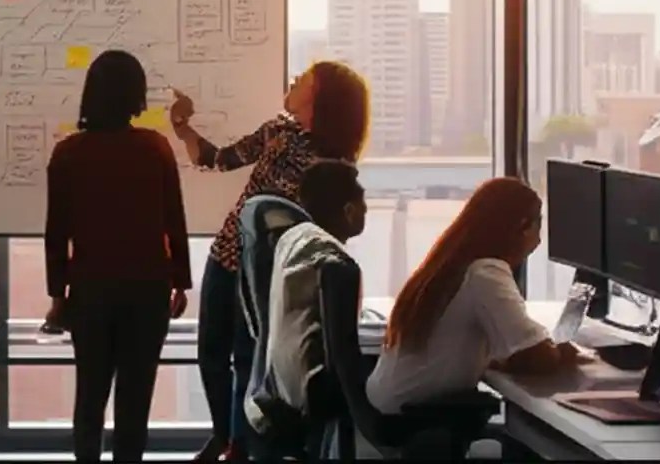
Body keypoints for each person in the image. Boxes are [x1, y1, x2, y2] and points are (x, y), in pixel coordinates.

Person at [170, 61, 369, 461]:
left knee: (250, 358)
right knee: (210, 349)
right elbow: (219, 158)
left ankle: (240, 445)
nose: (294, 81)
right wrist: (182, 129)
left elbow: (333, 230)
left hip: (274, 276)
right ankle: (224, 435)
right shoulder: (279, 130)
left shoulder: (336, 165)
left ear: (321, 97)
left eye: (304, 80)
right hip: (227, 254)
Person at [44, 50, 192, 462]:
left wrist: (59, 297)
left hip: (91, 291)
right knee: (135, 400)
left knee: (89, 397)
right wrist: (180, 281)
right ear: (136, 96)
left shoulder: (68, 153)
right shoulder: (156, 148)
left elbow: (57, 233)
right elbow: (173, 219)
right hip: (148, 290)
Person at [366, 177, 590, 415]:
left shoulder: (450, 263)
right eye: (539, 224)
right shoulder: (485, 272)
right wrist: (561, 352)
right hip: (414, 413)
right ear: (524, 227)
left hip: (385, 402)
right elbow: (538, 356)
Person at [247, 160, 367, 449]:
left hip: (278, 390)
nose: (366, 211)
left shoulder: (291, 240)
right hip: (311, 397)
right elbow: (343, 355)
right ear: (349, 211)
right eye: (364, 204)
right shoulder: (338, 264)